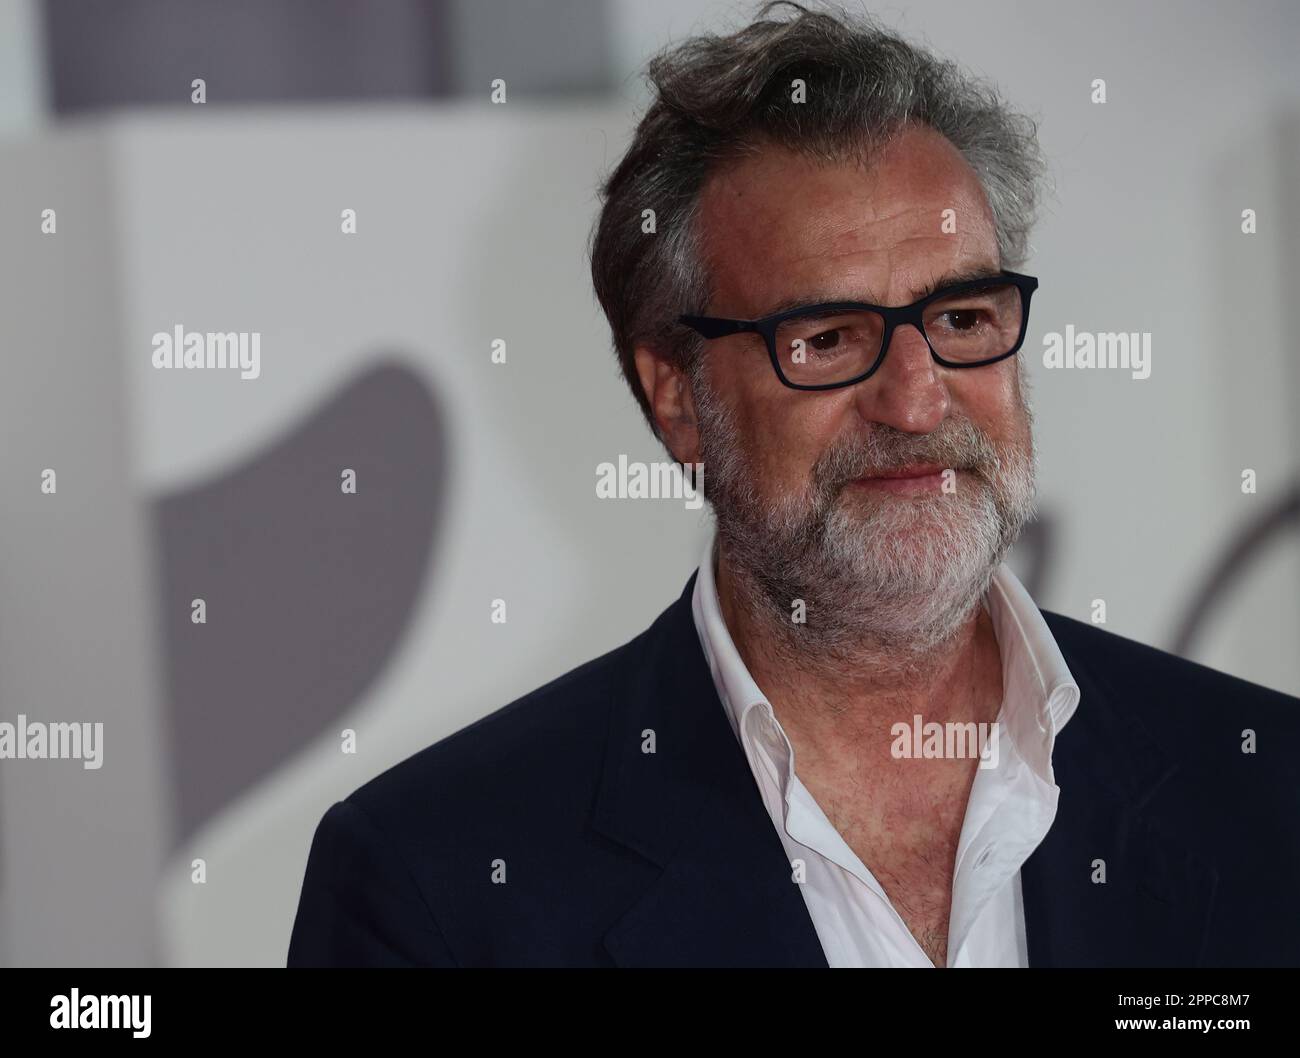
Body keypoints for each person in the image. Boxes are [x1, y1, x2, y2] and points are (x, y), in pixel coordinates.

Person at [287, 1, 1300, 967]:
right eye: (824, 338)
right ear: (677, 395)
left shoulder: (1268, 784)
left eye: (959, 319)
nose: (914, 400)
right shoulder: (439, 881)